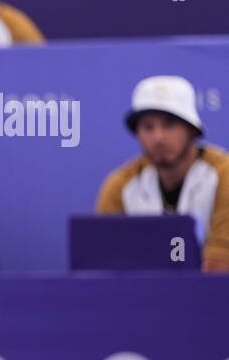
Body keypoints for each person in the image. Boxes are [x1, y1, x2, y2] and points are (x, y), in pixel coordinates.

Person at [96, 75, 229, 272]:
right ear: (137, 133)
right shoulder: (119, 185)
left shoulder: (223, 174)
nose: (158, 137)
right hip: (141, 300)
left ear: (192, 129)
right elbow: (102, 266)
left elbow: (220, 268)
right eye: (148, 127)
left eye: (169, 124)